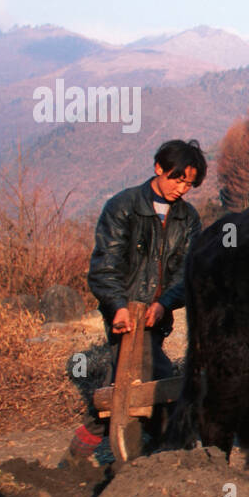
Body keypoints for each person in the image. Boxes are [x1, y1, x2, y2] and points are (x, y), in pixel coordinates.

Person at [62, 139, 206, 467]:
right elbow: (105, 265)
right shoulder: (123, 206)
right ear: (158, 168)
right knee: (139, 377)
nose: (181, 188)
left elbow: (188, 271)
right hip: (125, 314)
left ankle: (128, 449)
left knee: (134, 379)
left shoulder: (188, 219)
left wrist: (165, 303)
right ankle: (164, 447)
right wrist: (118, 305)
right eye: (177, 178)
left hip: (157, 314)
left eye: (189, 183)